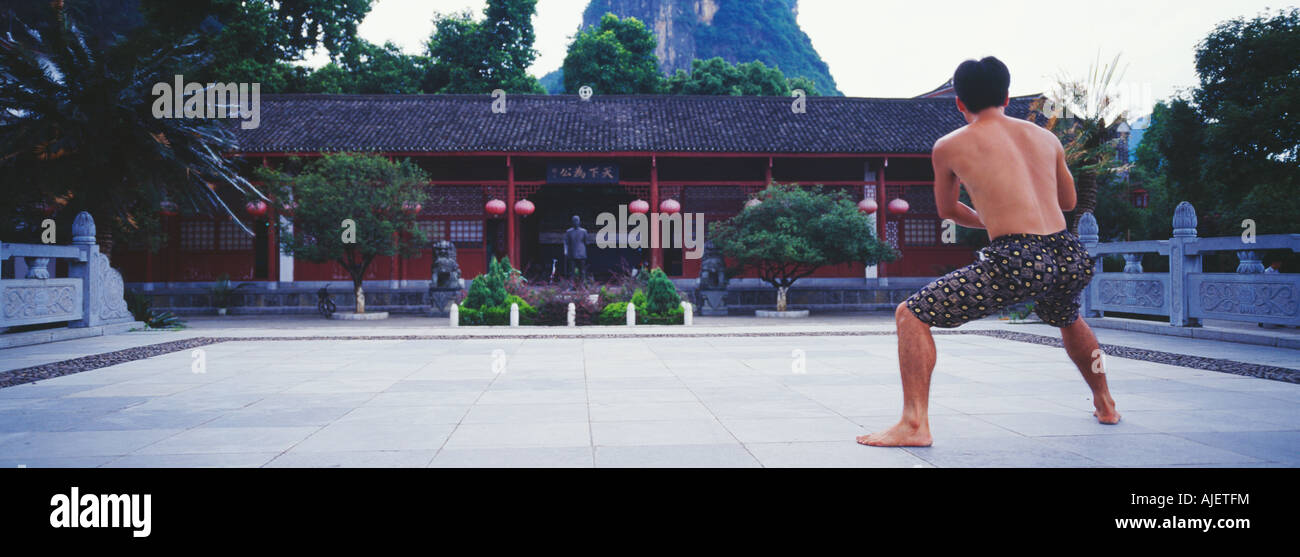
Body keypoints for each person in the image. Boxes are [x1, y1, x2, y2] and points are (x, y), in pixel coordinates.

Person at [858, 56, 1121, 447]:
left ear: (959, 102)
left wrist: (995, 220)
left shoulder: (949, 145)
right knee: (1068, 317)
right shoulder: (1046, 138)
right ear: (1007, 95)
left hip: (1017, 257)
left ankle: (914, 424)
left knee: (910, 315)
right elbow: (1068, 201)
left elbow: (948, 210)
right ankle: (1106, 403)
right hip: (1068, 252)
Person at [564, 215, 589, 280]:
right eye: (574, 221)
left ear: (579, 222)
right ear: (572, 222)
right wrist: (566, 251)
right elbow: (566, 242)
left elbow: (586, 242)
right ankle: (572, 285)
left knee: (582, 271)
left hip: (581, 254)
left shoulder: (584, 231)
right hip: (572, 254)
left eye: (577, 220)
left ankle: (582, 285)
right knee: (572, 271)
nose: (575, 222)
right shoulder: (569, 232)